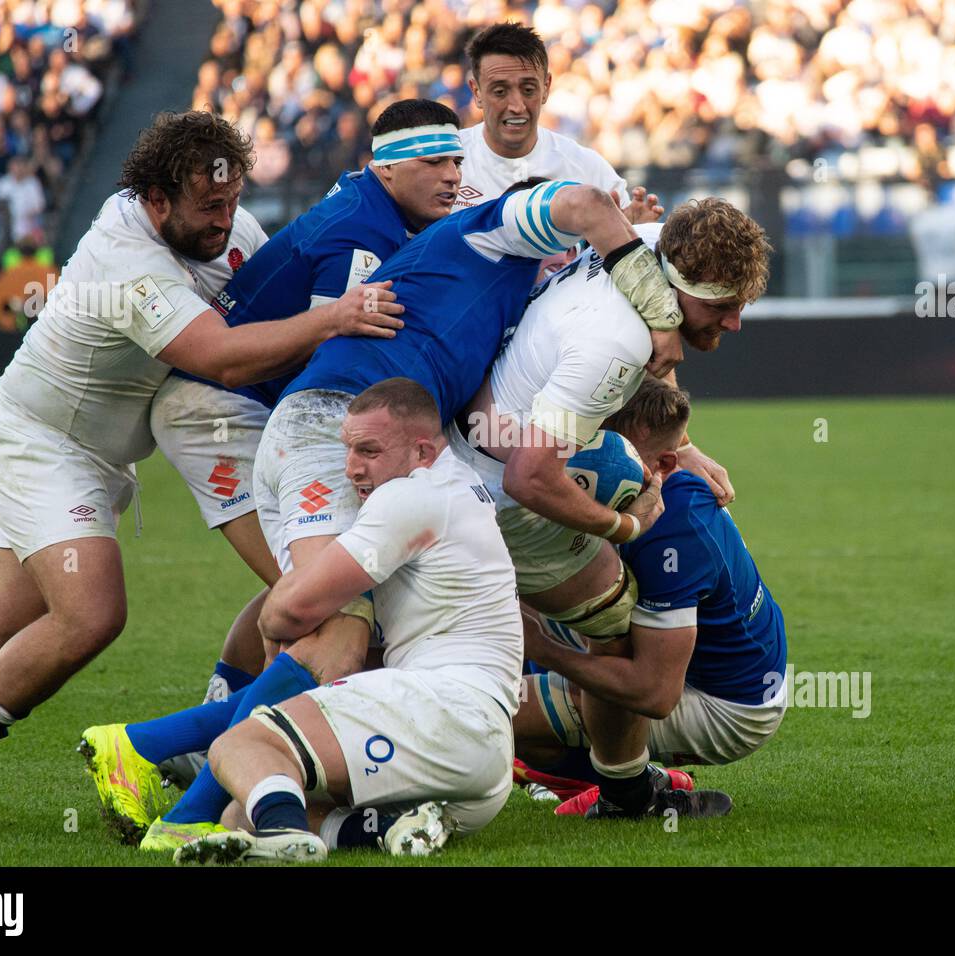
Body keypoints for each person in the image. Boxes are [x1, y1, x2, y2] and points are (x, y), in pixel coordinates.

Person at [85, 176, 685, 851]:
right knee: (328, 638)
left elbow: (490, 418)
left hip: (323, 428)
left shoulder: (514, 297)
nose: (568, 257)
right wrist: (649, 293)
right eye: (564, 248)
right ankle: (154, 755)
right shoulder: (491, 237)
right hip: (333, 426)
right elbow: (580, 205)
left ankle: (229, 782)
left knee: (334, 637)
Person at [0, 110, 400, 832]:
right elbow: (220, 355)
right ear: (156, 200)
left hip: (93, 452)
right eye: (208, 206)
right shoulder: (125, 254)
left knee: (0, 632)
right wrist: (336, 317)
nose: (225, 221)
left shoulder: (228, 230)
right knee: (92, 614)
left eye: (233, 201)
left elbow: (271, 316)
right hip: (38, 442)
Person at [143, 100, 464, 730]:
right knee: (329, 600)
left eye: (456, 159)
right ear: (387, 169)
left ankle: (211, 731)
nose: (451, 174)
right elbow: (332, 354)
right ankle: (230, 747)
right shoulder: (361, 235)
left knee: (300, 588)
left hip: (230, 405)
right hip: (218, 411)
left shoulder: (374, 206)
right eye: (432, 161)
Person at [448, 199, 771, 817]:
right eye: (722, 308)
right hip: (499, 492)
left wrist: (682, 445)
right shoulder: (615, 344)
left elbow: (660, 360)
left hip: (484, 442)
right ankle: (618, 792)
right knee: (617, 622)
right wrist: (624, 524)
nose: (733, 324)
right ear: (678, 289)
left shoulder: (647, 243)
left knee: (409, 611)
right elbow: (529, 477)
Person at [175, 378, 523, 864]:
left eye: (369, 450)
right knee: (239, 811)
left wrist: (274, 620)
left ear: (422, 450)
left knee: (241, 744)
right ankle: (380, 830)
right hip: (480, 766)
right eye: (348, 449)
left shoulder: (409, 496)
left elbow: (294, 606)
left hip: (444, 711)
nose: (352, 468)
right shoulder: (458, 485)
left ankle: (284, 838)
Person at [513, 378, 789, 815]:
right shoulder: (643, 485)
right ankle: (611, 773)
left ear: (663, 462)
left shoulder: (674, 530)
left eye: (614, 458)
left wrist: (541, 647)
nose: (582, 464)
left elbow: (653, 692)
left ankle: (629, 794)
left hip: (726, 706)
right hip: (672, 664)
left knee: (495, 711)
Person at [458, 23, 663, 225]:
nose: (517, 106)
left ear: (546, 87)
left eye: (528, 89)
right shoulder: (446, 160)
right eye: (500, 92)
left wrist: (635, 234)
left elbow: (628, 239)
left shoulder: (587, 168)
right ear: (477, 92)